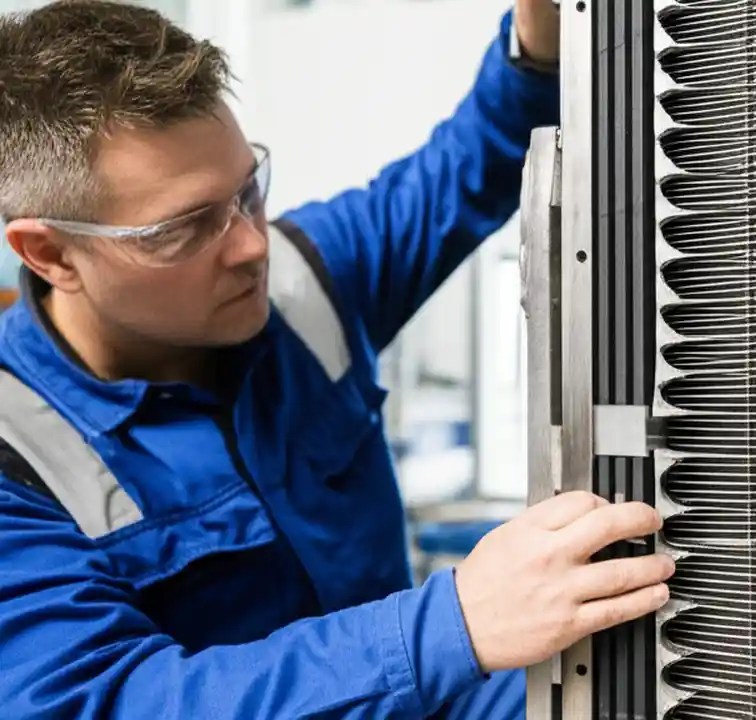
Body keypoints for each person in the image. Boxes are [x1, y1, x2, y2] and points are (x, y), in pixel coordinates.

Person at [0, 1, 674, 718]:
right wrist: (453, 626)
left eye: (247, 191)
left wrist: (537, 48)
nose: (252, 245)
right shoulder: (18, 456)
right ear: (50, 254)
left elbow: (469, 160)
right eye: (185, 229)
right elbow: (110, 700)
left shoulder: (305, 276)